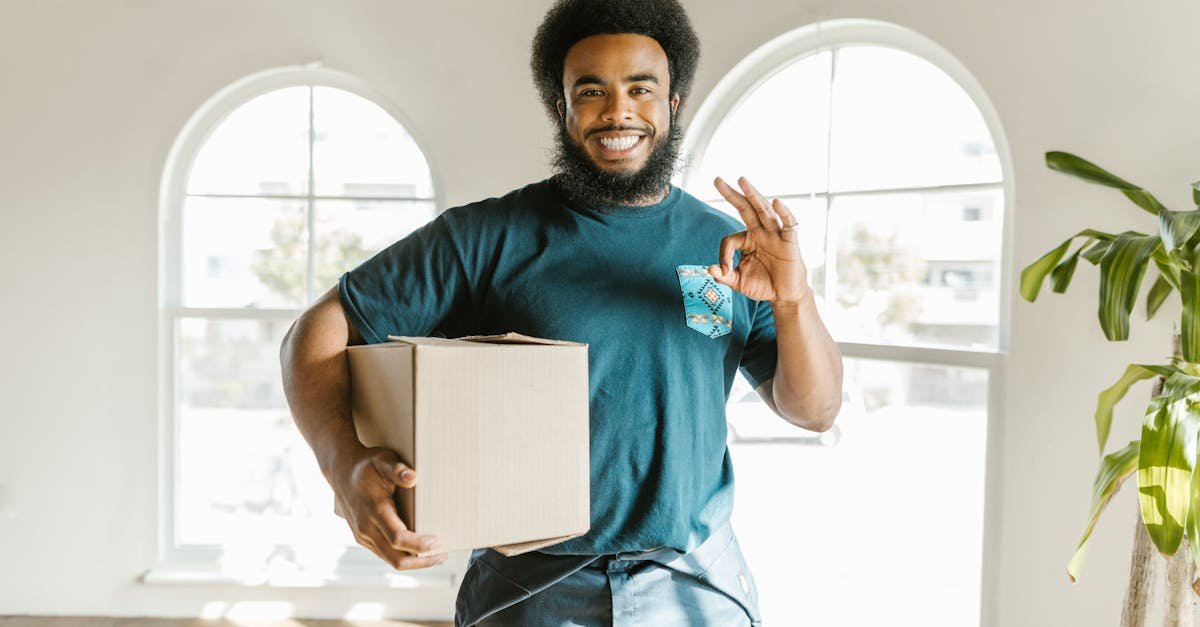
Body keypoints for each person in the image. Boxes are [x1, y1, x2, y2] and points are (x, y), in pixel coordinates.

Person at [279, 0, 843, 624]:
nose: (618, 110)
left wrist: (793, 300)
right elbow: (319, 329)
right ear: (562, 108)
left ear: (672, 105)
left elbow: (813, 409)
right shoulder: (484, 238)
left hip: (692, 583)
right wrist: (342, 462)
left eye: (640, 89)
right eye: (592, 90)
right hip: (531, 587)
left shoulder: (732, 248)